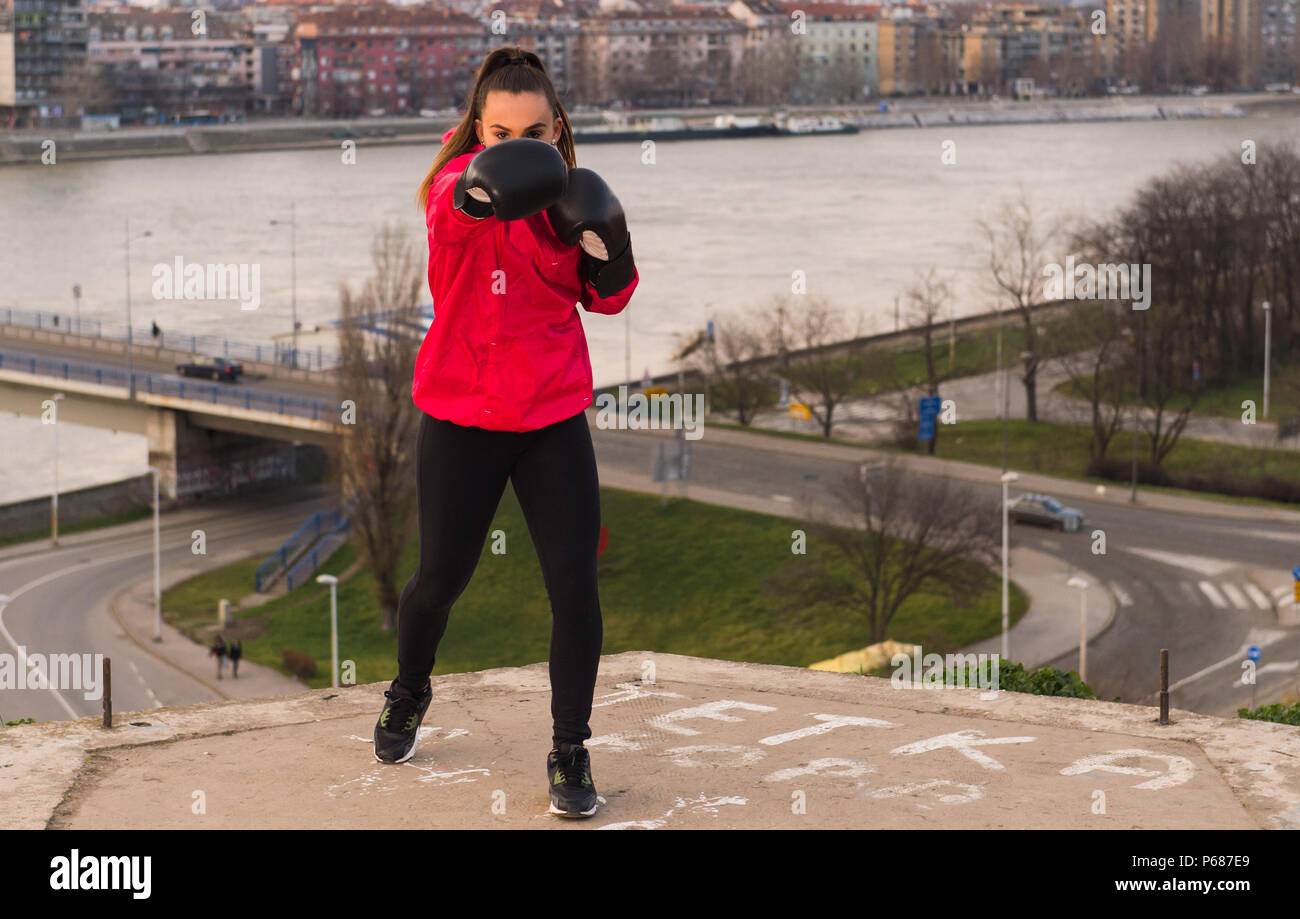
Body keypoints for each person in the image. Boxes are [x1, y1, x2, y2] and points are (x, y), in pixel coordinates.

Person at [372, 45, 638, 820]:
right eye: (500, 132)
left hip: (551, 415)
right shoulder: (453, 190)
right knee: (439, 581)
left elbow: (610, 301)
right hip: (461, 416)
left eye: (534, 132)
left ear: (558, 129)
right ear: (476, 132)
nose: (518, 145)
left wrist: (608, 248)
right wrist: (487, 186)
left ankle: (569, 748)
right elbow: (454, 212)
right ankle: (410, 687)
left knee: (575, 586)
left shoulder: (571, 202)